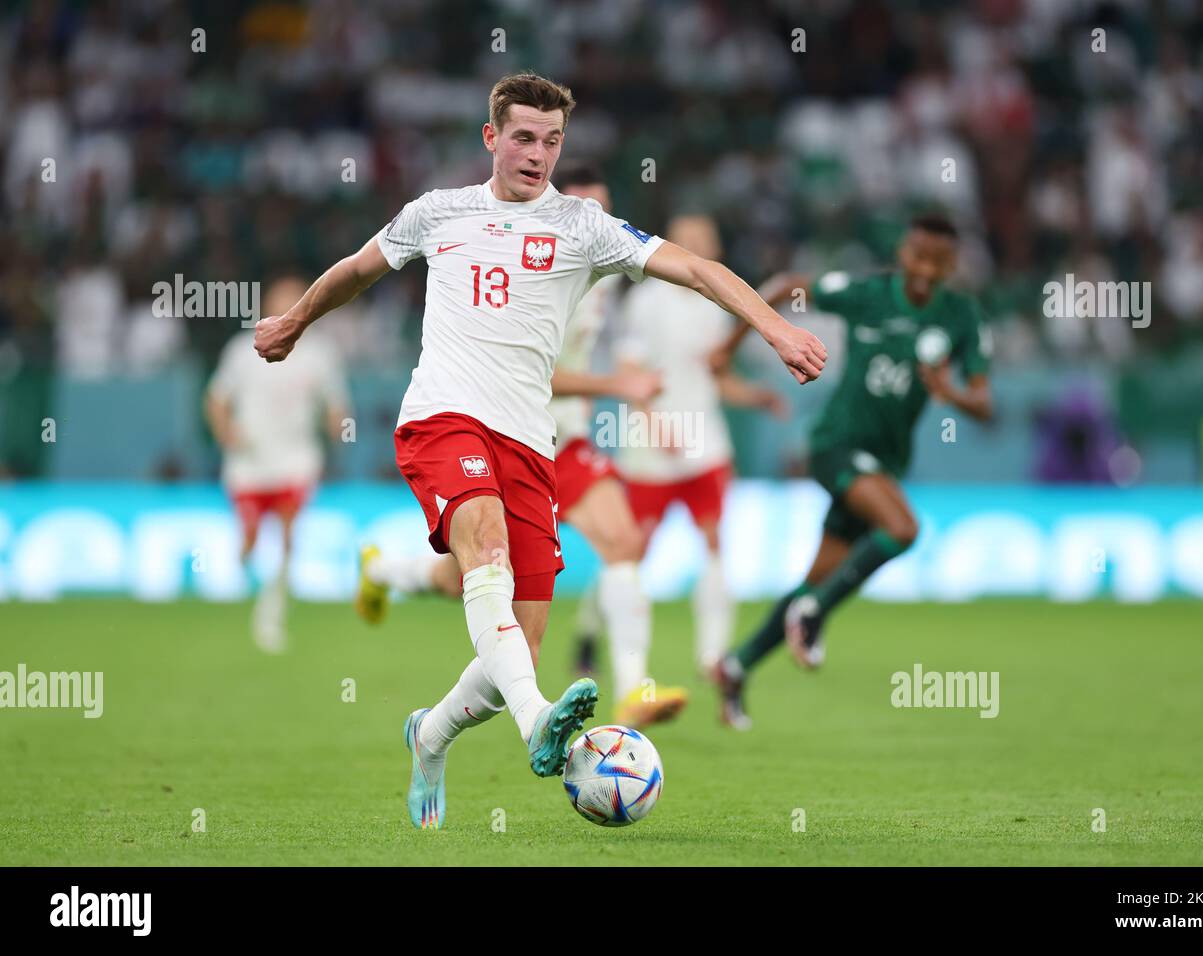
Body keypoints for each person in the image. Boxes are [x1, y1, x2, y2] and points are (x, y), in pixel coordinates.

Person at [252, 73, 827, 828]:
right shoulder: (438, 212)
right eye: (523, 137)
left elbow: (696, 269)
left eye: (552, 140)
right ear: (491, 137)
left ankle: (428, 735)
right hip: (443, 417)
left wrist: (775, 328)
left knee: (513, 644)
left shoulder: (582, 225)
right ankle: (540, 723)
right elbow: (358, 271)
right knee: (483, 548)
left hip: (531, 441)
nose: (537, 154)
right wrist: (295, 320)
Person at [356, 165, 691, 729]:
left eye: (603, 210)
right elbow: (537, 375)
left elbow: (625, 361)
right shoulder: (527, 270)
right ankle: (386, 572)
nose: (591, 221)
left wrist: (648, 408)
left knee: (621, 541)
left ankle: (634, 688)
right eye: (583, 205)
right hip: (506, 431)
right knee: (469, 575)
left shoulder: (604, 279)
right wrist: (616, 386)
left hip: (566, 440)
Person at [711, 214, 992, 729]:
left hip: (883, 463)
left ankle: (735, 666)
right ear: (904, 253)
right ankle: (815, 613)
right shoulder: (867, 294)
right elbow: (786, 286)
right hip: (835, 446)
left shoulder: (961, 317)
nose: (926, 269)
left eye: (938, 261)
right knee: (903, 529)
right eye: (918, 256)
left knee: (817, 578)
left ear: (952, 265)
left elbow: (984, 405)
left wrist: (948, 391)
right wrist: (729, 346)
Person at [601, 213, 787, 676]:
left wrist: (755, 397)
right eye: (683, 241)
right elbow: (629, 373)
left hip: (705, 444)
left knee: (713, 542)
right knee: (629, 550)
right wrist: (653, 422)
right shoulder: (644, 300)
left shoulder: (715, 308)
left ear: (716, 250)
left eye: (701, 241)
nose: (692, 249)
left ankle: (713, 655)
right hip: (650, 451)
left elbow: (716, 379)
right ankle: (602, 643)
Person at [205, 275, 350, 653]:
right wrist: (226, 432)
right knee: (251, 540)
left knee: (287, 535)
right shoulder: (242, 349)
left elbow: (335, 402)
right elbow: (216, 399)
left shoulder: (320, 353)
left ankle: (271, 611)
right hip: (250, 461)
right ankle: (246, 586)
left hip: (295, 459)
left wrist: (338, 425)